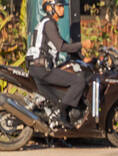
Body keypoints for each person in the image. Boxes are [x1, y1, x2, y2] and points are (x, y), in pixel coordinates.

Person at [26, 0, 86, 128]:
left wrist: (83, 58)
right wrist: (82, 44)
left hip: (39, 67)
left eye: (62, 6)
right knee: (79, 81)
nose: (62, 9)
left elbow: (63, 44)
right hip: (41, 68)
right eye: (59, 6)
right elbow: (61, 46)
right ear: (49, 8)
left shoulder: (48, 24)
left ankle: (58, 110)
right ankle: (61, 112)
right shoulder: (48, 24)